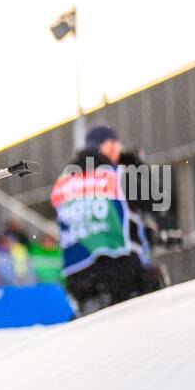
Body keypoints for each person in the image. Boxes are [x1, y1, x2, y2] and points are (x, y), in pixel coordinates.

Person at [50, 124, 158, 315]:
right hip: (122, 269)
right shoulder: (118, 175)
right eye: (118, 146)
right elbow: (154, 201)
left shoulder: (63, 183)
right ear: (108, 145)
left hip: (77, 275)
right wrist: (136, 165)